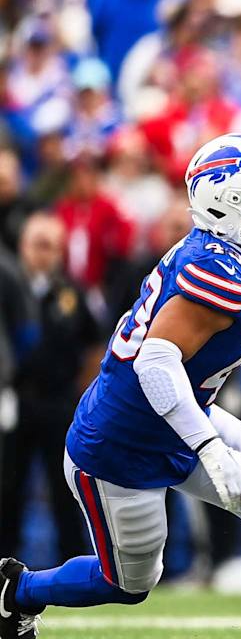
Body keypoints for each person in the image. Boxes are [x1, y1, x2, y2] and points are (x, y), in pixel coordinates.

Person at [0, 133, 241, 639]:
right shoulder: (217, 271)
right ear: (225, 207)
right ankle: (18, 591)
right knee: (128, 584)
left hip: (185, 414)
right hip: (124, 440)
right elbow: (155, 364)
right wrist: (208, 447)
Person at [0, 214, 99, 566]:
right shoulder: (9, 287)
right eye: (38, 245)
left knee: (65, 487)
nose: (44, 254)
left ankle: (71, 564)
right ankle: (5, 562)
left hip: (60, 402)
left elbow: (94, 345)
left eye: (52, 246)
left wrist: (83, 394)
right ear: (22, 246)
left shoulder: (72, 293)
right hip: (17, 399)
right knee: (8, 485)